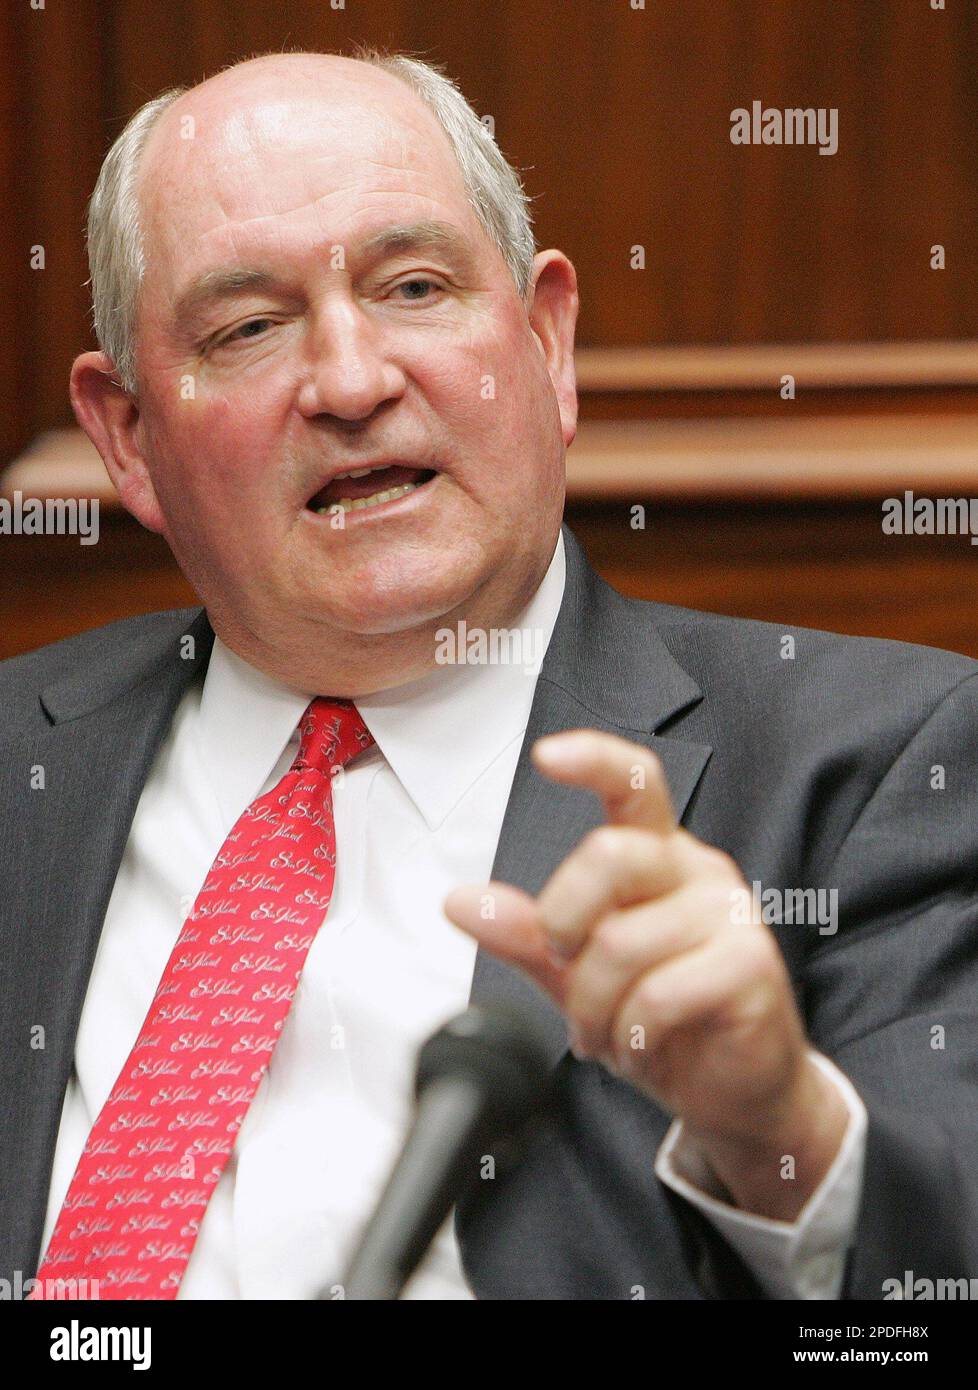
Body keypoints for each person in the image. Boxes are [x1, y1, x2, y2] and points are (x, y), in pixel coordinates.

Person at [3, 47, 978, 1301]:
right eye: (248, 328)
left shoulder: (874, 763)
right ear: (128, 438)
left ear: (546, 343)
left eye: (413, 287)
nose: (352, 382)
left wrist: (778, 1129)